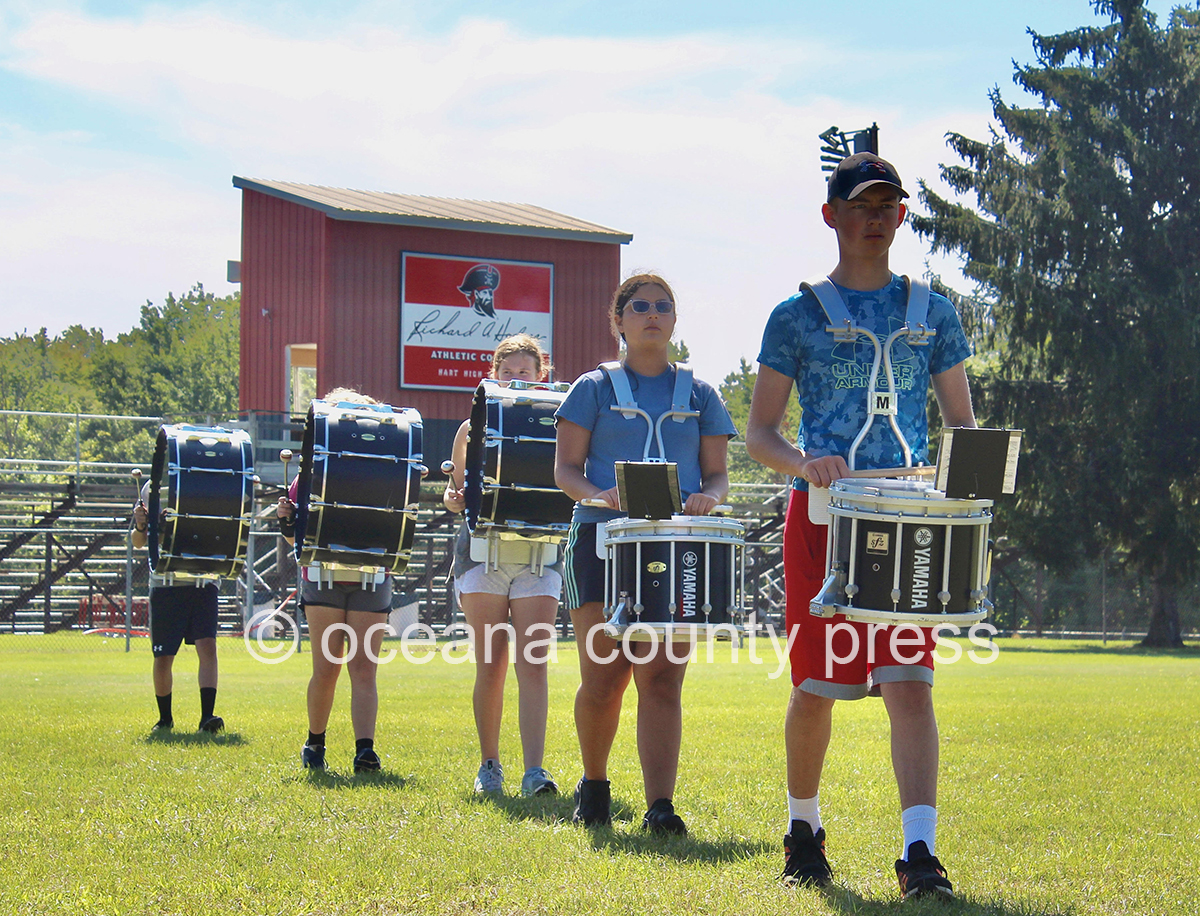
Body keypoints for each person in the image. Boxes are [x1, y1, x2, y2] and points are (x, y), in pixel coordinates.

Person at [746, 152, 976, 899]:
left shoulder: (934, 312)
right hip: (823, 517)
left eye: (887, 207)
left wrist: (964, 495)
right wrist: (804, 462)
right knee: (816, 686)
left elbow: (962, 426)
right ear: (832, 216)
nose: (875, 219)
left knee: (911, 684)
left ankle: (919, 853)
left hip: (907, 518)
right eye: (860, 206)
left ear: (902, 217)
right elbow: (760, 435)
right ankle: (804, 831)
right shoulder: (797, 315)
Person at [554, 273, 736, 835]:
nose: (652, 314)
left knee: (662, 678)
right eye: (640, 307)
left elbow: (718, 476)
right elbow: (565, 470)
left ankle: (660, 806)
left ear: (675, 320)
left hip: (671, 546)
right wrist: (597, 495)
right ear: (620, 322)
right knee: (605, 677)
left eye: (663, 306)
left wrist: (711, 498)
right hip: (601, 543)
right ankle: (595, 784)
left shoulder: (701, 393)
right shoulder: (593, 387)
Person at [443, 334, 564, 797]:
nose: (517, 379)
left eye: (525, 372)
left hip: (539, 555)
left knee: (533, 664)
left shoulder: (559, 421)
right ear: (495, 374)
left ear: (542, 375)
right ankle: (489, 766)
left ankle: (535, 771)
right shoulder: (471, 426)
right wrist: (453, 498)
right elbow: (457, 499)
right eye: (508, 372)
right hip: (483, 554)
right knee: (490, 664)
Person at [277, 387, 394, 774]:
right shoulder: (309, 471)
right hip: (322, 576)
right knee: (326, 667)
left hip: (371, 574)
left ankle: (365, 750)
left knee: (364, 668)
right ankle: (315, 741)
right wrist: (285, 520)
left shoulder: (386, 468)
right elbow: (295, 538)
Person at [132, 484, 224, 734]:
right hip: (166, 585)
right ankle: (165, 719)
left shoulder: (201, 487)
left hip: (202, 582)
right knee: (163, 656)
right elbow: (138, 541)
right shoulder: (152, 488)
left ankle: (207, 716)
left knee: (208, 647)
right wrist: (142, 525)